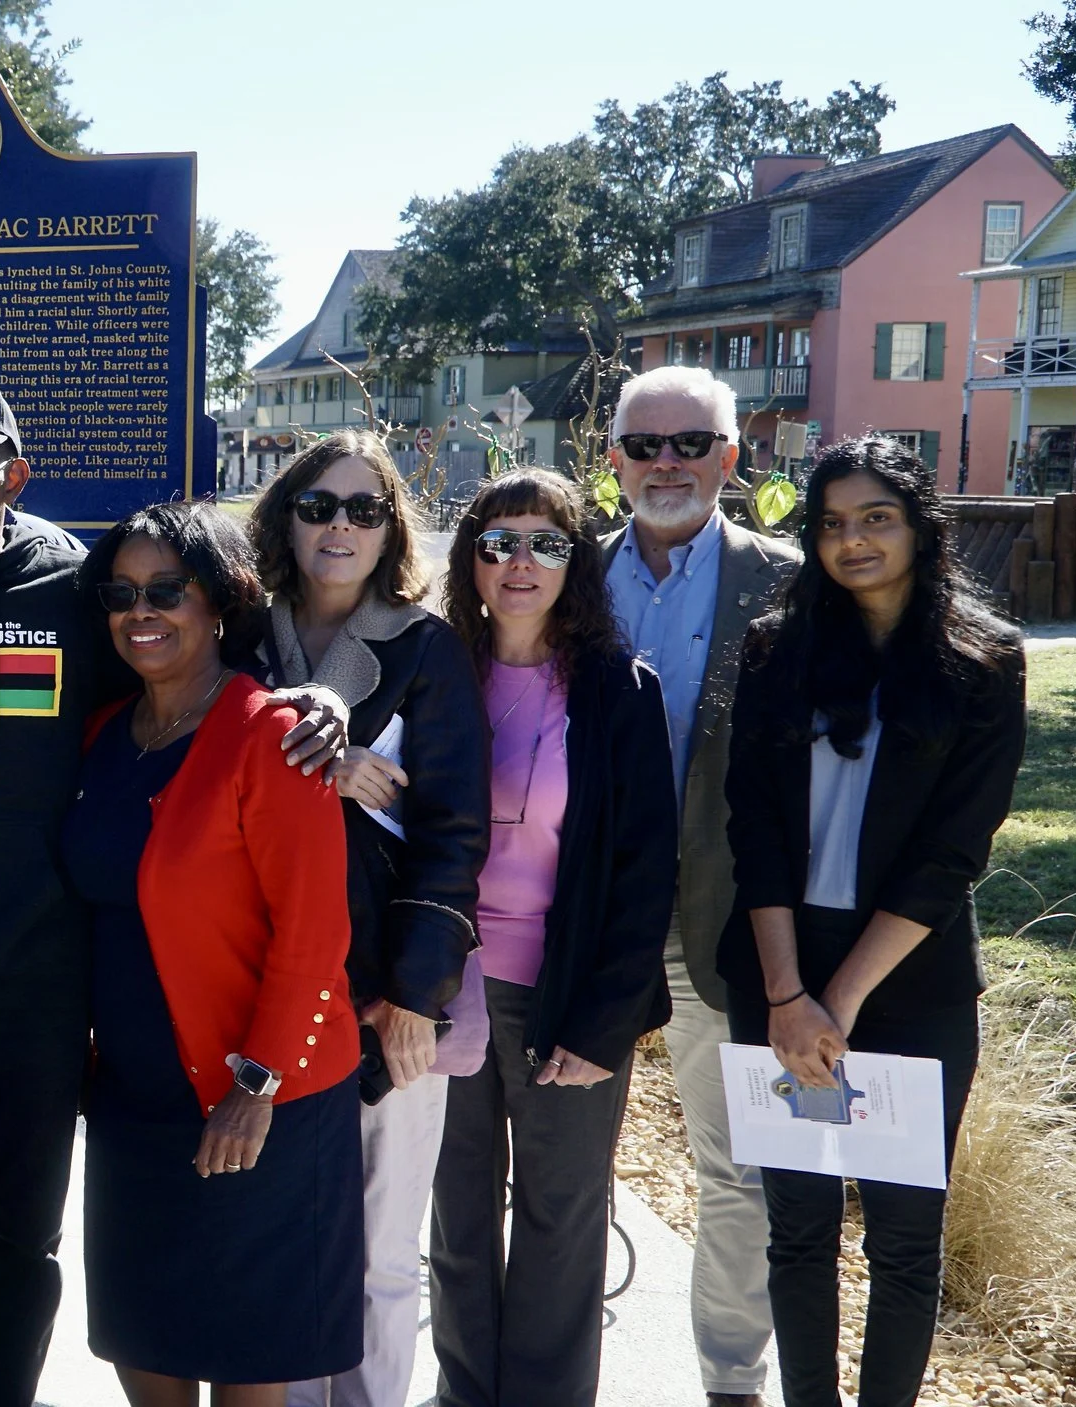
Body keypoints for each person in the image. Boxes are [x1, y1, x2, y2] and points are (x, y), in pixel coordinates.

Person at [0, 371, 345, 1407]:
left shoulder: (76, 584)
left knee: (21, 1233)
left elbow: (200, 657)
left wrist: (314, 693)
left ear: (12, 475)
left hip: (46, 980)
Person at [721, 437, 1025, 1407]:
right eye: (831, 524)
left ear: (919, 527)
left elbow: (954, 854)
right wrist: (785, 997)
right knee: (798, 1230)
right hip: (778, 978)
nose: (851, 541)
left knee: (902, 1242)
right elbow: (754, 827)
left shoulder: (984, 662)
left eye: (875, 518)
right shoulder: (777, 650)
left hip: (907, 991)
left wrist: (835, 1004)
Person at [65, 501, 363, 1406]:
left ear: (220, 600)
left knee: (246, 1358)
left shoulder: (272, 735)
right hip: (132, 1093)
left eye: (167, 589)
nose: (140, 610)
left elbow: (315, 933)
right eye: (120, 593)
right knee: (141, 1336)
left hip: (251, 1100)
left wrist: (256, 1084)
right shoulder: (102, 734)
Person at [426, 469, 677, 1407]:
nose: (519, 562)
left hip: (564, 994)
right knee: (456, 1215)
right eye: (498, 542)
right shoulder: (437, 668)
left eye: (545, 542)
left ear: (577, 562)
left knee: (560, 1217)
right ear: (472, 561)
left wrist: (604, 1026)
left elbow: (644, 875)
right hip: (444, 988)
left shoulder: (619, 692)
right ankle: (464, 1392)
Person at [249, 431, 488, 1407]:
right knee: (289, 1245)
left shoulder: (425, 648)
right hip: (265, 983)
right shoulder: (239, 637)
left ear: (390, 528)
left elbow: (452, 832)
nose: (338, 527)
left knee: (385, 1254)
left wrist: (415, 997)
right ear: (284, 520)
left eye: (362, 509)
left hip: (387, 985)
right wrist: (320, 770)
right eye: (316, 507)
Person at [596, 364, 802, 1407]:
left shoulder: (788, 583)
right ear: (613, 462)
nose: (665, 463)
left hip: (726, 927)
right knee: (556, 1165)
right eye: (644, 446)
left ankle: (731, 1379)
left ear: (730, 457)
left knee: (735, 1169)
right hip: (583, 926)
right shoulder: (561, 578)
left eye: (689, 445)